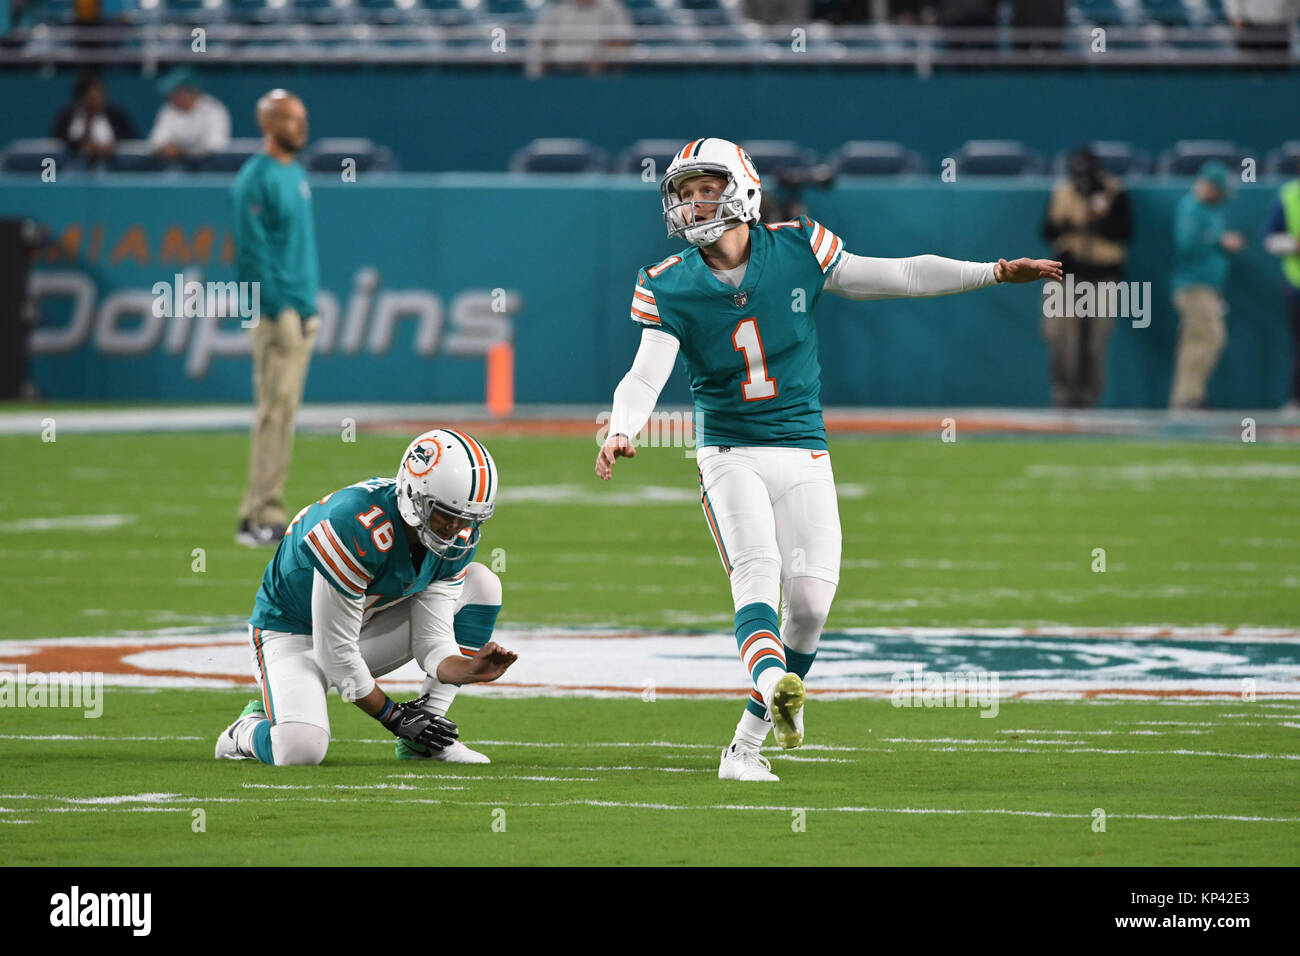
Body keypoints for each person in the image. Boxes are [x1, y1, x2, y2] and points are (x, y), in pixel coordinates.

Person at [594, 138, 1060, 782]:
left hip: (804, 447)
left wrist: (994, 271)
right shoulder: (668, 283)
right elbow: (644, 374)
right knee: (757, 575)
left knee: (810, 605)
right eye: (686, 192)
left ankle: (758, 724)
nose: (695, 204)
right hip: (730, 451)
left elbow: (898, 275)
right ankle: (754, 730)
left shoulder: (798, 248)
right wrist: (622, 427)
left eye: (707, 187)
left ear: (743, 189)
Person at [216, 430, 518, 766]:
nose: (457, 527)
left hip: (359, 625)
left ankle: (427, 739)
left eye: (468, 518)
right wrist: (394, 716)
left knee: (483, 584)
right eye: (447, 514)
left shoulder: (457, 534)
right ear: (414, 495)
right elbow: (336, 655)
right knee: (301, 748)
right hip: (290, 632)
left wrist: (466, 668)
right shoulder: (354, 526)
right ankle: (244, 730)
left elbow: (432, 640)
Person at [231, 90, 320, 548]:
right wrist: (277, 307)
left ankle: (266, 508)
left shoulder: (294, 173)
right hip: (276, 313)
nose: (300, 127)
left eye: (302, 118)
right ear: (268, 123)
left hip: (300, 309)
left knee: (284, 414)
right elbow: (252, 254)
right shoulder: (255, 179)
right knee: (273, 411)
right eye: (290, 119)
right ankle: (259, 514)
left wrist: (306, 307)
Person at [1040, 146, 1133, 408]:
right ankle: (1063, 394)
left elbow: (1124, 232)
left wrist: (1098, 216)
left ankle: (1089, 397)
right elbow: (1047, 231)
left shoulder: (1115, 191)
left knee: (1095, 342)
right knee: (1060, 337)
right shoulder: (1063, 191)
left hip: (1104, 276)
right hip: (1065, 275)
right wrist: (1073, 223)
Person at [1169, 161, 1245, 411]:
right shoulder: (1191, 207)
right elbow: (1187, 244)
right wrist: (1220, 242)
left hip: (1208, 287)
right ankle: (1188, 396)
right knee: (1211, 336)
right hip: (1193, 286)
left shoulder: (1212, 211)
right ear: (1210, 186)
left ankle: (1186, 397)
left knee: (1196, 340)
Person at [1264, 160, 1300, 414]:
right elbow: (1270, 238)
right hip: (1296, 283)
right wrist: (1293, 244)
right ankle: (1295, 400)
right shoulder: (1289, 195)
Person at [49, 71, 137, 167]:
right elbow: (57, 145)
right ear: (82, 97)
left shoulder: (115, 115)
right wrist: (80, 146)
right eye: (93, 97)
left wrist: (112, 148)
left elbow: (131, 143)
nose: (99, 99)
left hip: (112, 166)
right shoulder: (67, 116)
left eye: (101, 94)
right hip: (73, 166)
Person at [147, 67, 231, 165]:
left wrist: (184, 151)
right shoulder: (169, 109)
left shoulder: (213, 109)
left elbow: (217, 144)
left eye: (177, 93)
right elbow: (157, 140)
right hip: (176, 164)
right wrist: (166, 147)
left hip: (207, 164)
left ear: (190, 92)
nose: (173, 98)